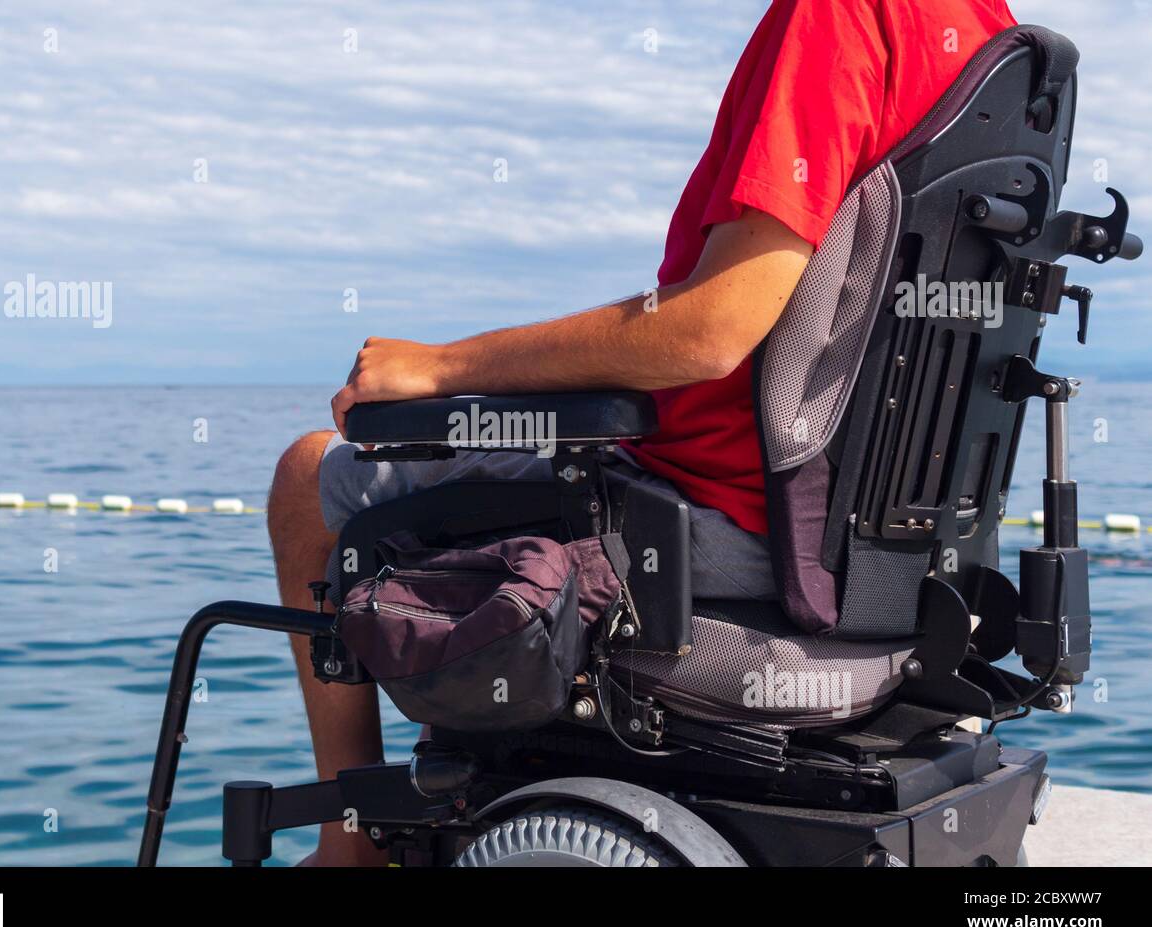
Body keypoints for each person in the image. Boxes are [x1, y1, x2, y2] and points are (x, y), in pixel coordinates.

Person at [267, 0, 1018, 865]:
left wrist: (440, 368)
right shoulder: (987, 36)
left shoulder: (839, 17)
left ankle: (350, 849)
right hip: (877, 556)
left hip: (720, 518)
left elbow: (706, 332)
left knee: (309, 475)